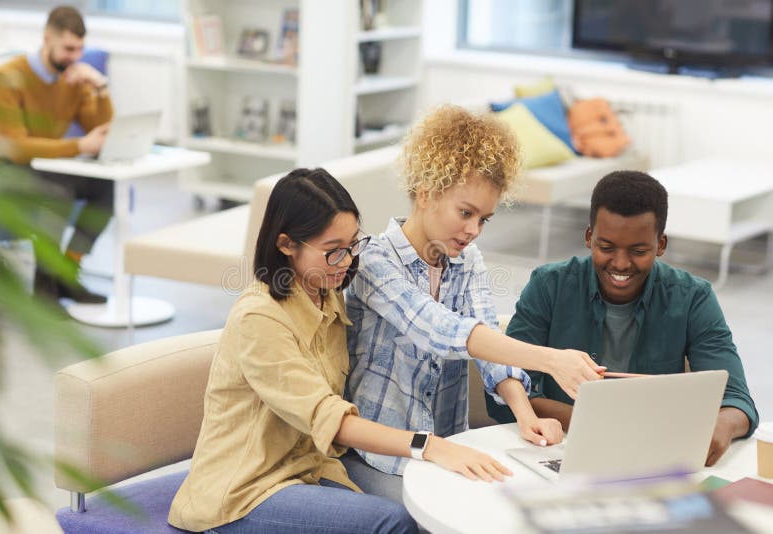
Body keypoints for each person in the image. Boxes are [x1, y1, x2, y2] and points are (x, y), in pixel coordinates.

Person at [168, 168, 518, 534]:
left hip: (309, 469)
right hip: (245, 491)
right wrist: (427, 446)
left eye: (353, 245)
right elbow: (330, 417)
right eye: (334, 252)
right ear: (286, 244)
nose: (350, 261)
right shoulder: (259, 318)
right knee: (393, 522)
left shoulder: (328, 296)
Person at [343, 105, 604, 502]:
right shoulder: (374, 261)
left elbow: (488, 343)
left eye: (484, 219)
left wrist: (526, 414)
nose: (473, 231)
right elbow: (440, 330)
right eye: (465, 213)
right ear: (427, 193)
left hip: (449, 447)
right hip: (379, 456)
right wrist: (551, 359)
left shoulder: (467, 260)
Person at [486, 170, 759, 467]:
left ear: (661, 245)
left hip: (658, 459)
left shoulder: (693, 297)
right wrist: (594, 421)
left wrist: (721, 427)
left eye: (639, 251)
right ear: (589, 237)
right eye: (606, 247)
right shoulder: (549, 286)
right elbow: (506, 391)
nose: (620, 263)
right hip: (559, 451)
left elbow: (736, 399)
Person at [0, 5, 113, 304]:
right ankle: (45, 285)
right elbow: (17, 147)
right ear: (46, 38)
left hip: (42, 166)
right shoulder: (6, 77)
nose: (75, 57)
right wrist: (78, 146)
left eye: (79, 49)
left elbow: (100, 127)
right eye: (68, 48)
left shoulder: (71, 79)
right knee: (57, 190)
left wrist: (99, 87)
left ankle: (68, 272)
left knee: (104, 189)